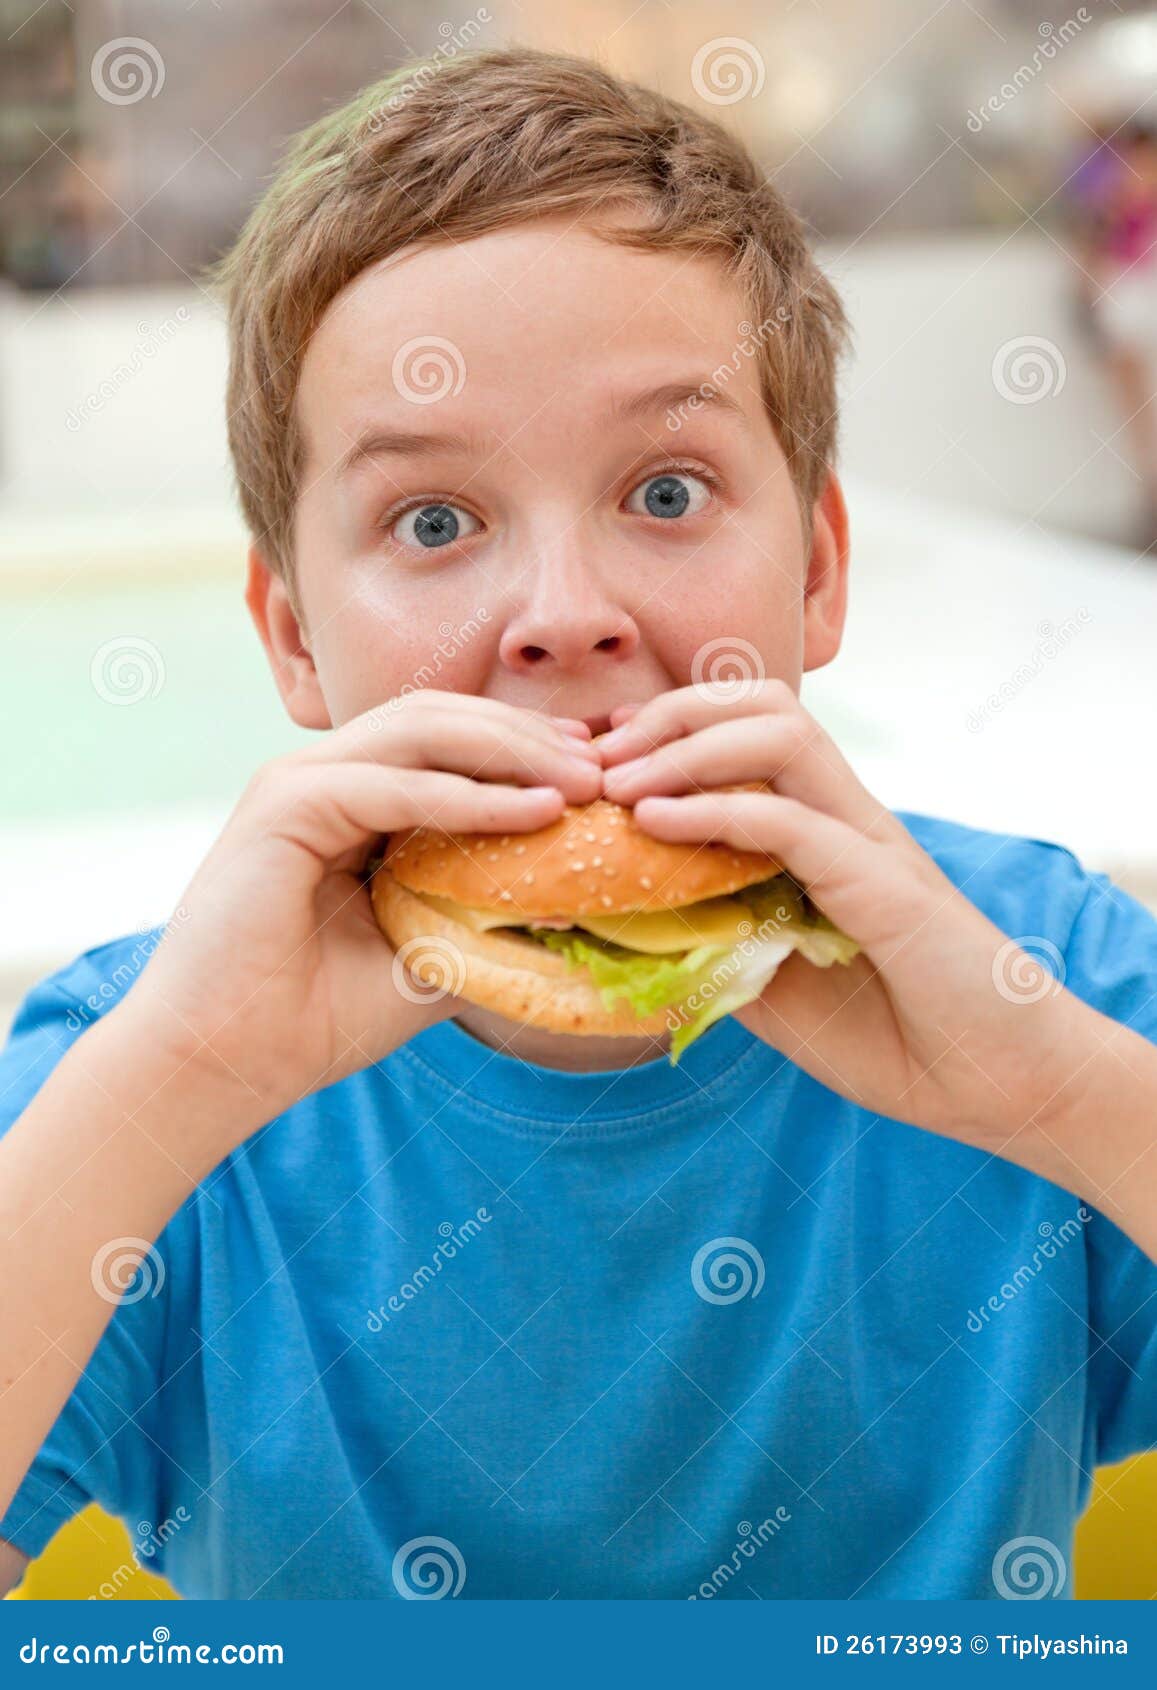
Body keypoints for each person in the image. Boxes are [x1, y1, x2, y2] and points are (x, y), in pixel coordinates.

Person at [2, 46, 1156, 1602]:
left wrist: (1058, 1092)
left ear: (818, 572)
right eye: (432, 521)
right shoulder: (134, 1063)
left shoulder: (1049, 974)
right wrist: (173, 1084)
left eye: (665, 492)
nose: (563, 612)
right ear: (294, 640)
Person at [1068, 119, 1157, 551]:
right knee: (1134, 402)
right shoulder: (1110, 201)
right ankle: (1150, 489)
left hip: (1141, 290)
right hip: (1124, 293)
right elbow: (1091, 252)